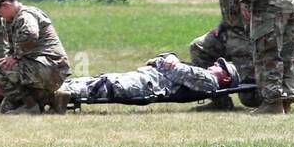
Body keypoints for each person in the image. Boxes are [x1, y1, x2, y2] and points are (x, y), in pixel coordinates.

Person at [191, 0, 256, 109]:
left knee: (250, 97)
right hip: (229, 36)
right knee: (198, 46)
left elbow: (254, 24)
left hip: (245, 42)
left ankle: (280, 93)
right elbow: (229, 16)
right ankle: (220, 101)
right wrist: (220, 28)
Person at [0, 0, 71, 114]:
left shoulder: (25, 15)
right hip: (48, 67)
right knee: (6, 108)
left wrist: (15, 57)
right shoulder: (14, 19)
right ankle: (54, 99)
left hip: (50, 66)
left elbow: (31, 34)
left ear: (5, 5)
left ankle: (30, 106)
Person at [52, 54, 239, 110]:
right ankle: (51, 92)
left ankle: (53, 95)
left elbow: (174, 69)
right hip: (145, 80)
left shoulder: (209, 81)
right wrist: (168, 57)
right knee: (97, 82)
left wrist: (165, 59)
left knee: (100, 86)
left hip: (146, 85)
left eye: (220, 66)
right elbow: (171, 65)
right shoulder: (204, 76)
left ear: (226, 77)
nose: (215, 63)